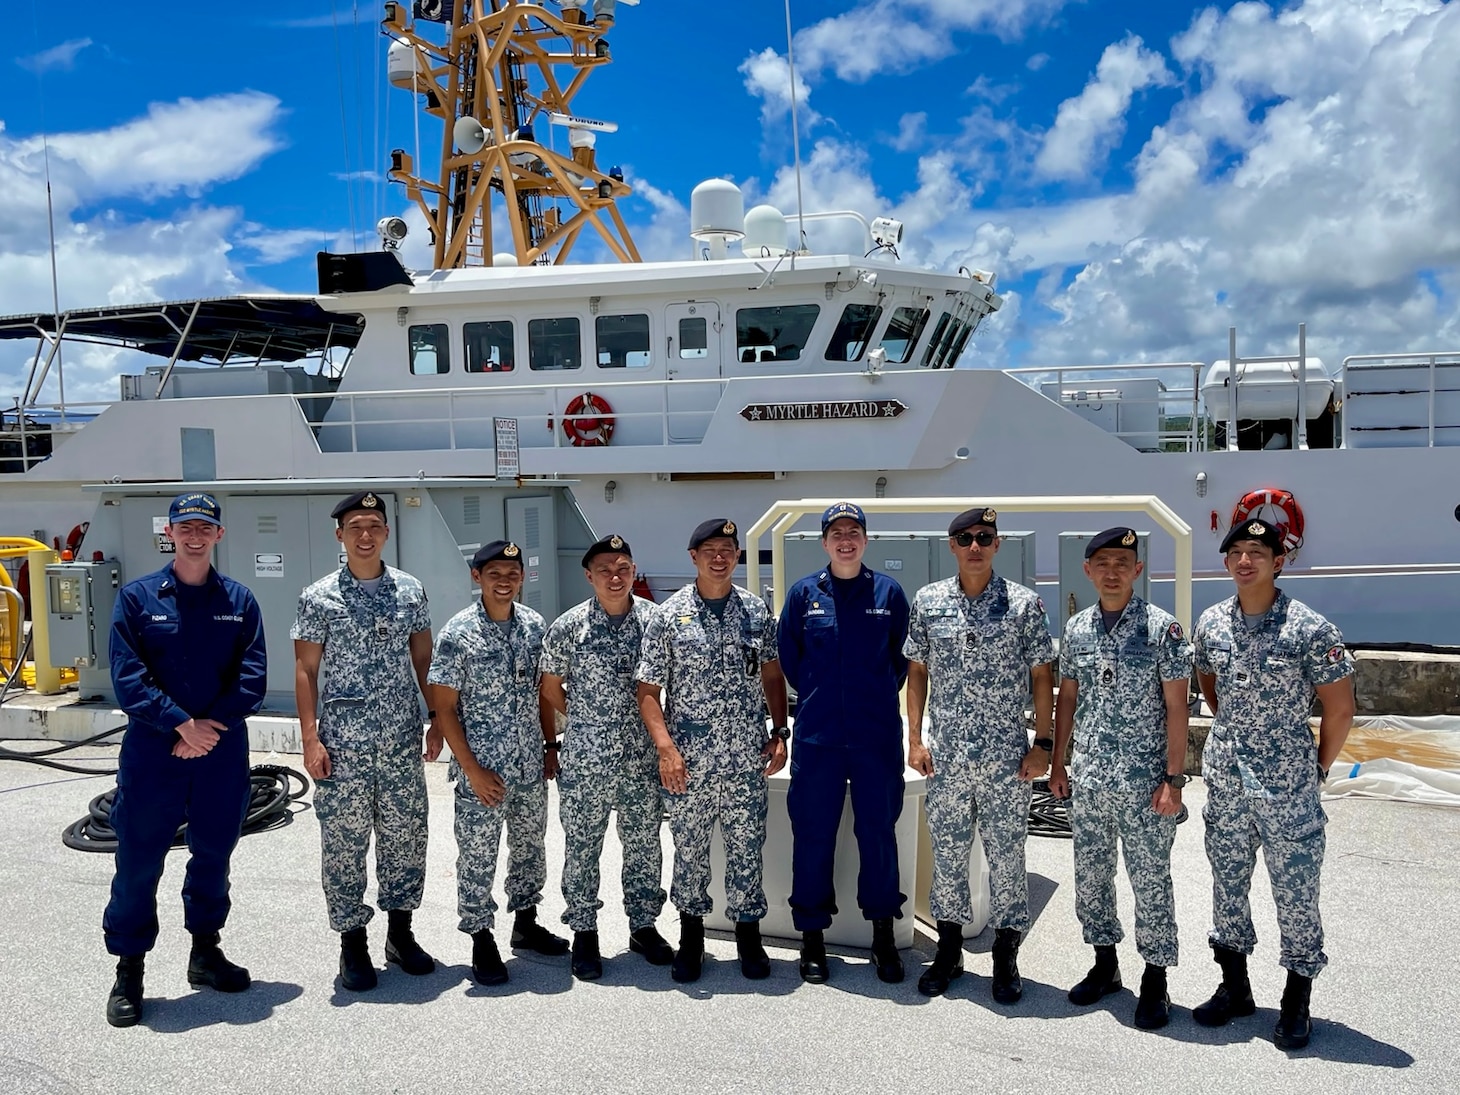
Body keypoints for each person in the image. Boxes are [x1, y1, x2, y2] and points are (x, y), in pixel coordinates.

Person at [103, 492, 267, 1027]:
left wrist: (205, 731)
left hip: (218, 750)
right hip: (156, 751)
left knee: (214, 852)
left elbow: (252, 678)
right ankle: (129, 970)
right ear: (168, 533)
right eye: (185, 526)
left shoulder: (240, 601)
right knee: (140, 858)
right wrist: (179, 723)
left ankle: (205, 953)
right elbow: (128, 677)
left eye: (205, 527)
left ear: (219, 535)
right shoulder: (137, 599)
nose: (195, 535)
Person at [1192, 518, 1354, 1050]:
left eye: (1257, 552)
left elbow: (1339, 708)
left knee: (1297, 895)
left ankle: (1296, 999)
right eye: (1235, 551)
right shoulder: (1212, 623)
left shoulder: (1309, 628)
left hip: (1288, 789)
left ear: (1278, 561)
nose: (1245, 561)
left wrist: (1318, 768)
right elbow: (1210, 689)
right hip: (1227, 783)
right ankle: (1234, 987)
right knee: (1227, 888)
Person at [291, 491, 441, 992]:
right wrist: (310, 739)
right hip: (344, 745)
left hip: (399, 739)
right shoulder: (319, 597)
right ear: (340, 535)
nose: (365, 534)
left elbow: (425, 660)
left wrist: (437, 716)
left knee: (405, 835)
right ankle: (351, 942)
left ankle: (400, 934)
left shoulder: (410, 591)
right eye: (355, 526)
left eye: (374, 525)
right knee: (344, 843)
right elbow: (306, 670)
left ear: (386, 533)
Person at [904, 506, 1055, 1001]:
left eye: (984, 537)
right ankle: (948, 951)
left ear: (997, 544)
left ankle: (1006, 956)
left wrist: (1044, 745)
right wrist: (915, 738)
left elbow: (1041, 676)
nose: (975, 545)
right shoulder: (929, 601)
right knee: (947, 856)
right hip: (946, 757)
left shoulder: (1023, 605)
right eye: (965, 537)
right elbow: (918, 671)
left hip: (1007, 759)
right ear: (952, 545)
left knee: (1007, 857)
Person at [1049, 527, 1192, 1030]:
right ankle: (1105, 964)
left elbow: (1178, 709)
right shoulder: (1078, 629)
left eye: (1123, 562)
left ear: (1137, 570)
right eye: (1102, 562)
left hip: (1144, 784)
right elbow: (1067, 698)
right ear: (1088, 571)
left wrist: (1174, 778)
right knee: (1091, 878)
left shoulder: (1162, 630)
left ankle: (1156, 978)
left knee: (1151, 881)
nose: (1113, 570)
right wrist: (1058, 763)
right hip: (1089, 779)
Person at [636, 518, 789, 983]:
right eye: (710, 549)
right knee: (690, 848)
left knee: (747, 846)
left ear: (738, 557)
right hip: (690, 759)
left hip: (744, 754)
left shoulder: (756, 612)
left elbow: (771, 675)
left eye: (728, 549)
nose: (719, 557)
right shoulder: (669, 614)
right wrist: (665, 748)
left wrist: (779, 730)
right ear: (693, 557)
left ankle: (748, 935)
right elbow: (648, 689)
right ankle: (692, 937)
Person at [778, 502, 910, 984]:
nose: (846, 539)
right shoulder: (803, 595)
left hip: (875, 736)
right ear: (824, 542)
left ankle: (882, 935)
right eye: (837, 533)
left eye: (854, 531)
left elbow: (901, 659)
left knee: (878, 833)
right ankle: (812, 938)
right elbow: (790, 657)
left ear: (866, 540)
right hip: (819, 736)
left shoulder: (889, 593)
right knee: (813, 834)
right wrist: (821, 697)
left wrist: (869, 698)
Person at [428, 540, 569, 985]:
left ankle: (524, 923)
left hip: (529, 763)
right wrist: (470, 768)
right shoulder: (458, 633)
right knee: (478, 855)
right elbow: (445, 707)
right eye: (494, 574)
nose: (504, 581)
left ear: (522, 578)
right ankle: (480, 936)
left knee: (530, 849)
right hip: (483, 769)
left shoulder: (534, 626)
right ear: (477, 578)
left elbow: (543, 694)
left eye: (512, 573)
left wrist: (550, 746)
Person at [540, 534, 673, 980]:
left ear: (634, 572)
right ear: (589, 576)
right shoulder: (568, 626)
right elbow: (549, 686)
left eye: (623, 569)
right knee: (582, 847)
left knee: (644, 845)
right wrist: (584, 718)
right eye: (605, 571)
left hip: (641, 758)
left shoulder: (657, 622)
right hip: (587, 760)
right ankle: (584, 932)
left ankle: (643, 925)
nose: (615, 578)